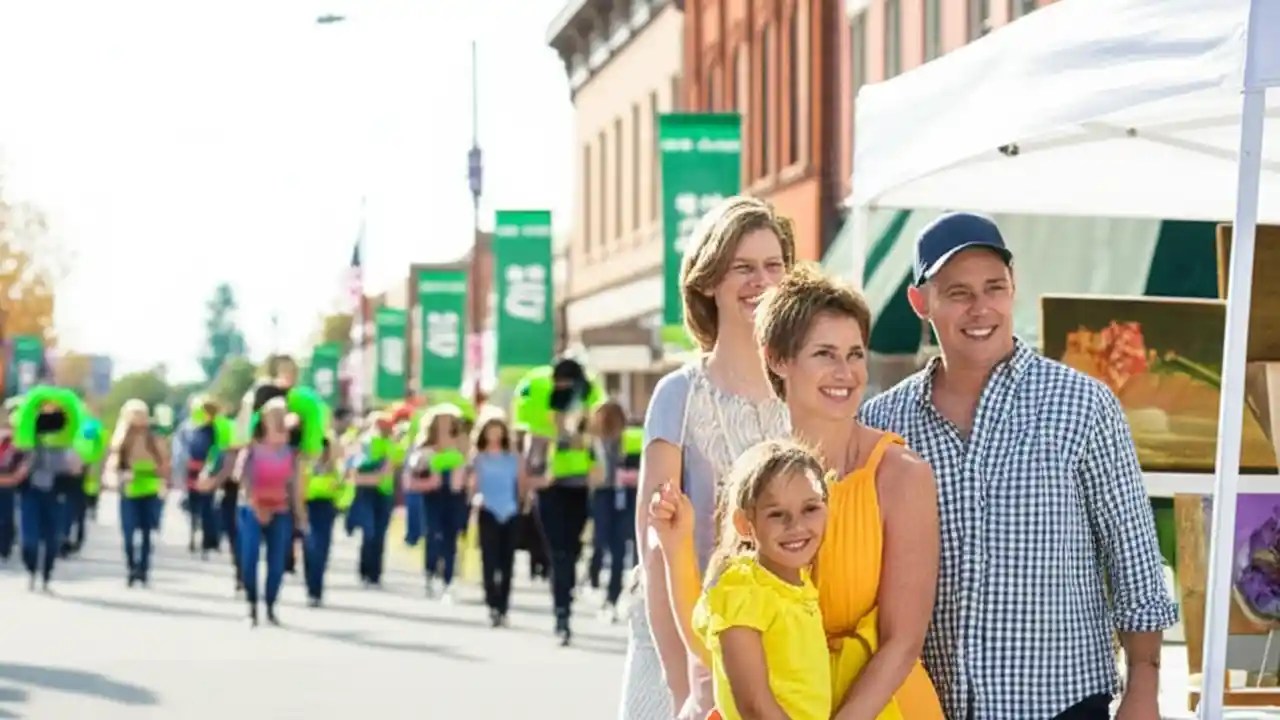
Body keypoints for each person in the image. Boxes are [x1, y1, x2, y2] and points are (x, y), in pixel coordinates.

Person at [859, 212, 1177, 720]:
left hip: (1063, 704)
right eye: (958, 293)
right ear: (921, 303)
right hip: (926, 706)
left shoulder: (1082, 405)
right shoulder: (882, 420)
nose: (980, 308)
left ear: (1013, 289)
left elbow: (1133, 558)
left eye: (994, 288)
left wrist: (1144, 688)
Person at [624, 195, 794, 720]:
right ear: (709, 282)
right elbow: (656, 552)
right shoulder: (679, 395)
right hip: (683, 642)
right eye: (741, 267)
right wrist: (683, 689)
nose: (759, 281)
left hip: (780, 651)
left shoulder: (805, 390)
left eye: (772, 266)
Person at [755, 265, 943, 718]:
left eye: (855, 354)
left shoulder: (902, 476)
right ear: (778, 358)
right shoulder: (752, 476)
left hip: (883, 708)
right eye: (825, 353)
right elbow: (734, 620)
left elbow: (903, 642)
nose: (846, 373)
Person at [649, 439, 834, 720]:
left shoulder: (797, 585)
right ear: (745, 524)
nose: (796, 526)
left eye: (810, 509)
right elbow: (754, 705)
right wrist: (676, 543)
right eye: (776, 514)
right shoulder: (743, 591)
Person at [234, 398, 307, 626]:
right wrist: (257, 506)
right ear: (264, 420)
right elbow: (242, 481)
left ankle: (271, 606)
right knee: (249, 558)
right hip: (252, 509)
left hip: (280, 510)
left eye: (281, 416)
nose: (278, 420)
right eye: (274, 416)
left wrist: (301, 515)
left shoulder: (291, 453)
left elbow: (295, 487)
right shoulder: (251, 450)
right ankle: (252, 606)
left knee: (277, 562)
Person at [466, 410, 526, 627]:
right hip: (487, 509)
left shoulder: (513, 457)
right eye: (490, 430)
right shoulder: (479, 458)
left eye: (497, 430)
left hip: (509, 510)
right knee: (489, 560)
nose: (494, 434)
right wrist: (473, 501)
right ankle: (492, 603)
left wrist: (521, 505)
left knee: (507, 562)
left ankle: (504, 606)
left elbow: (521, 484)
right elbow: (473, 485)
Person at [405, 405, 469, 600]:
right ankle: (430, 572)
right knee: (433, 534)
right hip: (432, 495)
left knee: (451, 537)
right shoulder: (425, 447)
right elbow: (414, 469)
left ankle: (448, 579)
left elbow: (468, 466)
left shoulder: (461, 445)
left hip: (455, 495)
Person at [107, 400, 170, 588]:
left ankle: (143, 569)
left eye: (141, 414)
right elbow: (114, 461)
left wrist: (162, 481)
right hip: (129, 488)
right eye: (134, 415)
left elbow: (164, 461)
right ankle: (131, 567)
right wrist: (118, 475)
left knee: (146, 532)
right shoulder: (121, 437)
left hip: (150, 487)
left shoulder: (154, 436)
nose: (138, 419)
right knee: (128, 532)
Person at [586, 401, 640, 623]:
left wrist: (625, 475)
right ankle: (593, 575)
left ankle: (613, 594)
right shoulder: (591, 443)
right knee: (600, 541)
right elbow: (588, 471)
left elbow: (640, 468)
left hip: (625, 496)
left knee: (619, 548)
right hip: (602, 496)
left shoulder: (631, 439)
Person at [302, 433, 342, 607]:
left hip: (326, 508)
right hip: (308, 506)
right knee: (309, 548)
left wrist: (339, 501)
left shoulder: (335, 469)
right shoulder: (306, 466)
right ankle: (311, 587)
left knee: (322, 549)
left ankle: (317, 590)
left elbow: (345, 489)